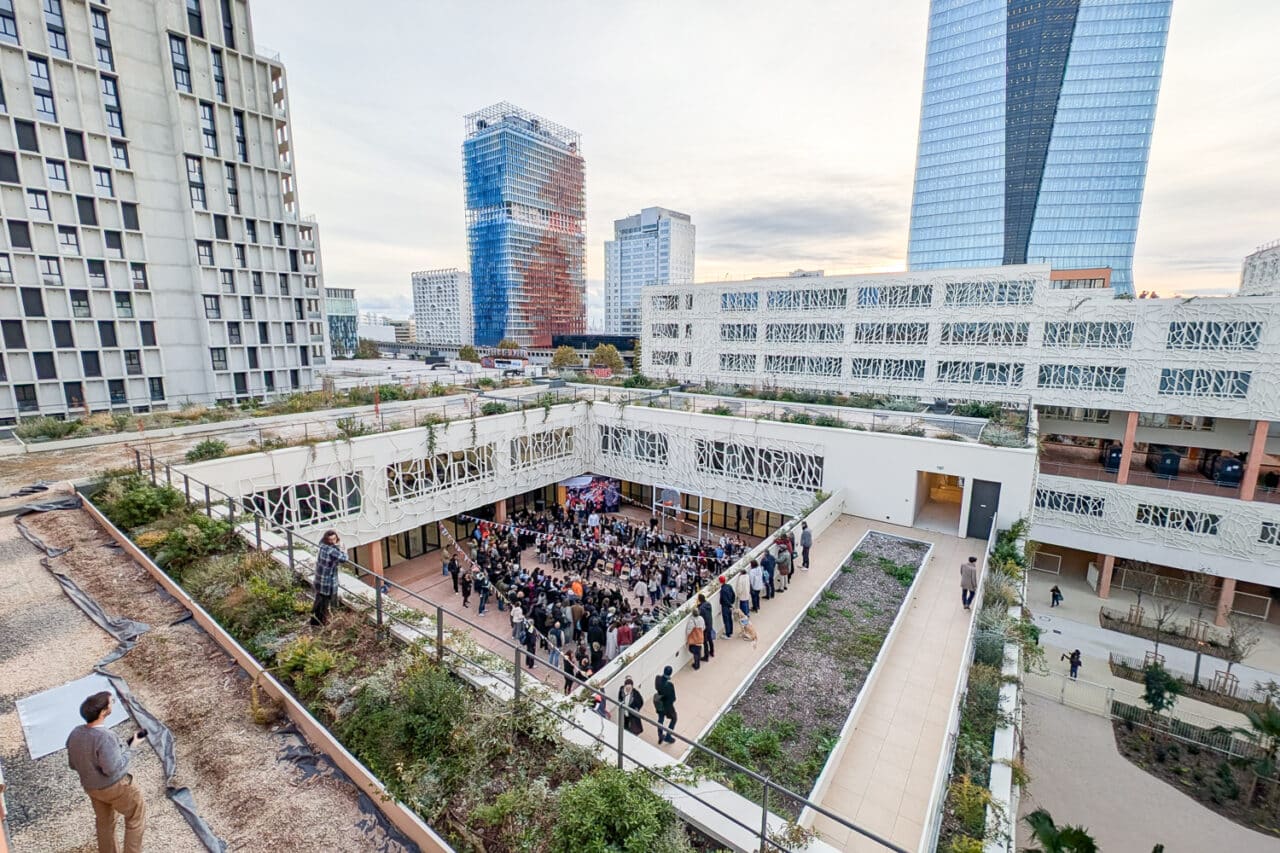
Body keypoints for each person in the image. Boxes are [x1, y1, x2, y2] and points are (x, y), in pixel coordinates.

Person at [66, 691, 146, 853]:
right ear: (103, 712)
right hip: (116, 787)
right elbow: (111, 769)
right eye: (111, 702)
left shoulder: (75, 733)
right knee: (135, 818)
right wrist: (131, 748)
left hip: (92, 788)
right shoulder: (105, 736)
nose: (112, 704)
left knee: (104, 824)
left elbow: (73, 764)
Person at [310, 530, 346, 626]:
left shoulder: (322, 545)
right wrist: (342, 548)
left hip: (319, 578)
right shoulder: (331, 550)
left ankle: (314, 620)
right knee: (324, 603)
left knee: (318, 600)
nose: (333, 541)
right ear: (327, 540)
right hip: (326, 581)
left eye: (334, 539)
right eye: (330, 540)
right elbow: (344, 558)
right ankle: (319, 623)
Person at [653, 666, 677, 744]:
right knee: (674, 719)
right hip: (667, 706)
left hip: (659, 703)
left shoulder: (657, 678)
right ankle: (668, 736)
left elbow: (657, 688)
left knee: (660, 720)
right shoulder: (670, 685)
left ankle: (660, 736)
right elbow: (673, 698)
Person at [697, 593, 715, 662]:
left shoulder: (701, 608)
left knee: (705, 642)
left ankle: (706, 656)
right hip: (710, 623)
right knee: (710, 639)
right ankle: (712, 652)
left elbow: (699, 614)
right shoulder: (708, 604)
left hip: (705, 626)